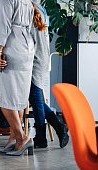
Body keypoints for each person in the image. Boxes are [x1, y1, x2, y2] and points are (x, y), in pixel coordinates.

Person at [0, 0, 35, 156]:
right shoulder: (27, 1)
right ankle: (13, 138)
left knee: (5, 96)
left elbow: (3, 25)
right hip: (26, 47)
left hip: (11, 46)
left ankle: (22, 138)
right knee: (18, 94)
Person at [29, 0, 69, 148]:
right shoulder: (40, 9)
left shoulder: (29, 9)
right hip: (41, 58)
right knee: (35, 98)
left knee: (35, 98)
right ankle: (58, 128)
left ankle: (42, 136)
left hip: (35, 60)